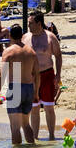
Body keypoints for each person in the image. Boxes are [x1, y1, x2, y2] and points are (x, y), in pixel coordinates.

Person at [0, 24, 38, 146]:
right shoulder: (31, 52)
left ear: (10, 36)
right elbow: (36, 74)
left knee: (15, 127)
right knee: (26, 124)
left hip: (16, 88)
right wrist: (36, 92)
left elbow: (2, 74)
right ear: (22, 35)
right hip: (29, 88)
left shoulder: (9, 52)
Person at [26, 11, 63, 141]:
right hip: (31, 77)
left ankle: (51, 136)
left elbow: (58, 56)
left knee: (49, 107)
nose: (28, 25)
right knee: (34, 108)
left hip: (47, 74)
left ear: (39, 24)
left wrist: (58, 75)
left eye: (31, 23)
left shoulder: (50, 37)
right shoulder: (26, 37)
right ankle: (35, 138)